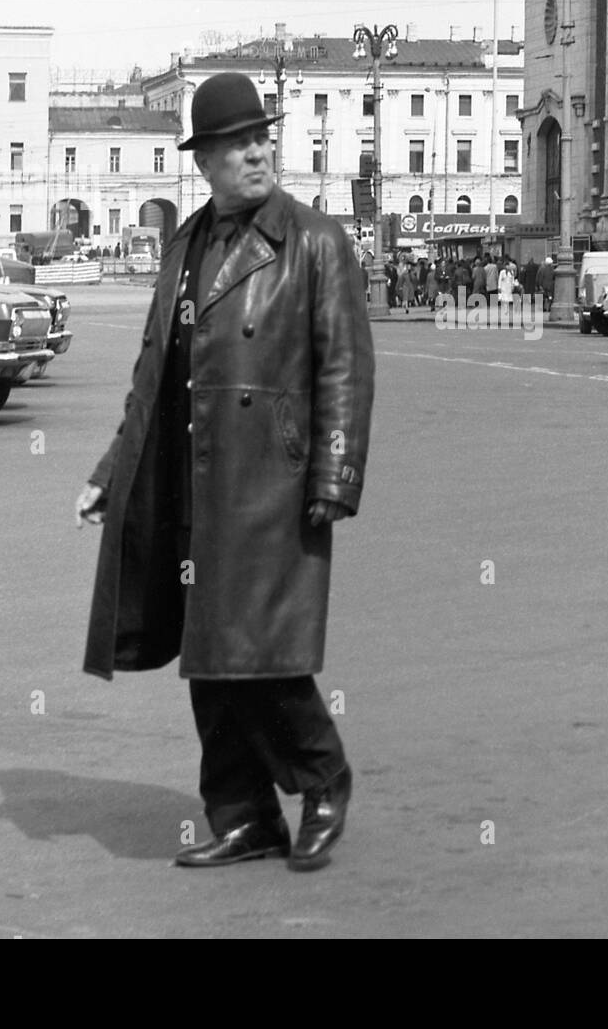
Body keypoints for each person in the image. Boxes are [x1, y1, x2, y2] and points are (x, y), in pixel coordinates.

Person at [75, 72, 375, 872]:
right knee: (208, 658)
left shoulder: (313, 240)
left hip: (272, 482)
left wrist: (334, 477)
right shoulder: (186, 245)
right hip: (194, 481)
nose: (256, 151)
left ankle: (324, 779)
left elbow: (345, 365)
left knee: (265, 656)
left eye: (260, 136)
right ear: (203, 159)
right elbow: (153, 370)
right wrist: (114, 469)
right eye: (237, 142)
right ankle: (242, 814)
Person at [498, 258, 517, 324]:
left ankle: (507, 310)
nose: (507, 267)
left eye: (508, 265)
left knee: (508, 299)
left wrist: (513, 286)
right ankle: (505, 310)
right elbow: (500, 280)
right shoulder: (502, 272)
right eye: (506, 265)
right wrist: (499, 287)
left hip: (509, 288)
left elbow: (512, 280)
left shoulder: (511, 272)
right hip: (503, 288)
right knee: (504, 300)